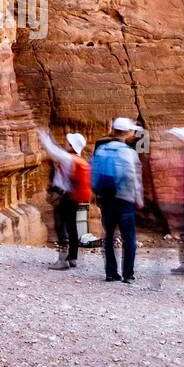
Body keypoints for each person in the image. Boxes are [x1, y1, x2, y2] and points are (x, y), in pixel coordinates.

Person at [91, 117, 144, 284]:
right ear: (127, 132)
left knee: (109, 237)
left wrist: (97, 193)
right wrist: (138, 197)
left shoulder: (101, 149)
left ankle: (111, 273)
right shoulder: (129, 152)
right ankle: (128, 273)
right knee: (129, 237)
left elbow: (94, 173)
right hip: (124, 199)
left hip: (106, 199)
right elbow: (134, 176)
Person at [37, 128, 89, 269]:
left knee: (60, 226)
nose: (65, 143)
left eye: (68, 142)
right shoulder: (77, 159)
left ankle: (62, 260)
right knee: (72, 227)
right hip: (73, 197)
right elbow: (57, 151)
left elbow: (53, 151)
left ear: (72, 146)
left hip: (64, 196)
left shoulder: (67, 158)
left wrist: (43, 136)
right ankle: (73, 257)